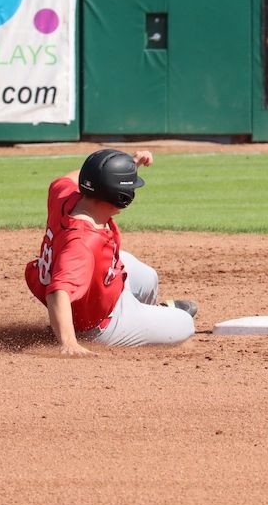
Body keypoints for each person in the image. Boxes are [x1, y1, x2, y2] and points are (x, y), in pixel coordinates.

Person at [24, 148, 197, 356]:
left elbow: (75, 178)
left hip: (100, 286)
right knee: (185, 323)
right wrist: (68, 343)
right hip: (99, 324)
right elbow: (57, 293)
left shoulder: (65, 195)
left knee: (148, 276)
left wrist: (128, 164)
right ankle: (139, 320)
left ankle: (148, 314)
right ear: (121, 195)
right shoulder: (83, 242)